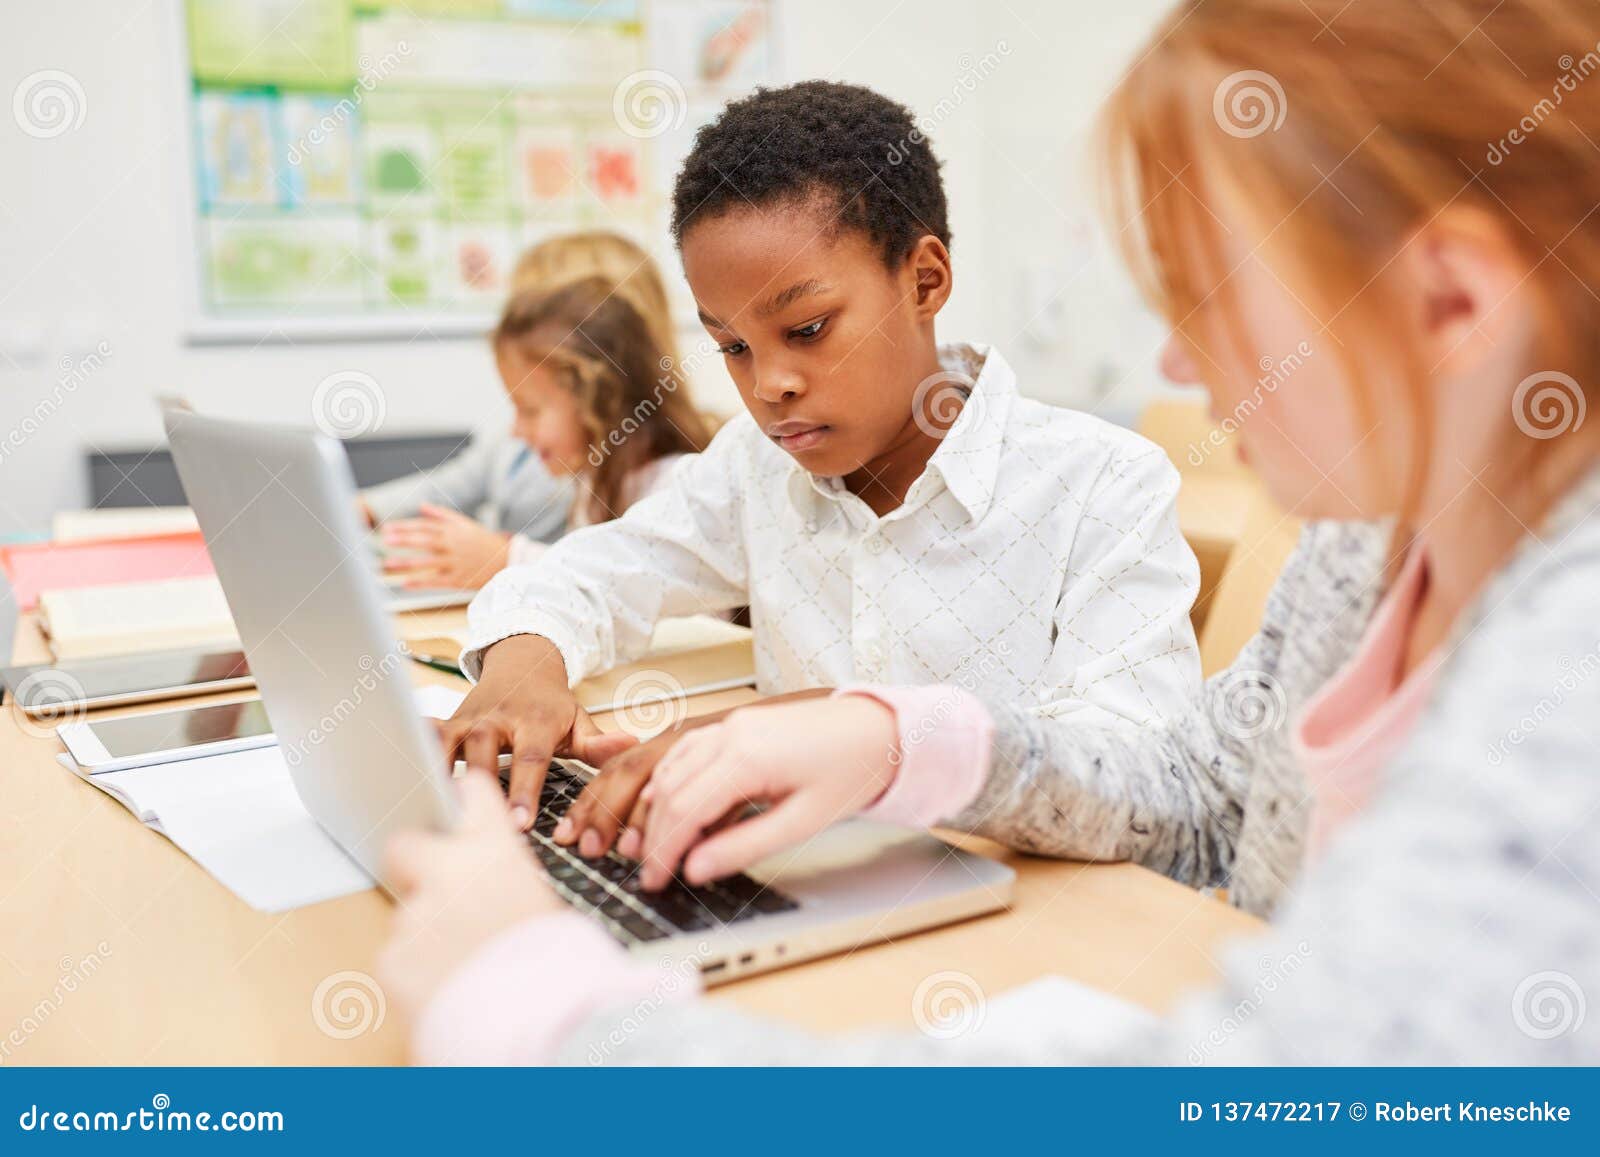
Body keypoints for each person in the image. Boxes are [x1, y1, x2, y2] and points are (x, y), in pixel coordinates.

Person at [381, 0, 1600, 1065]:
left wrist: (545, 1017)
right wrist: (891, 737)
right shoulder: (1366, 546)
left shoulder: (1567, 666)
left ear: (1451, 297)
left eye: (1209, 298)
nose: (1177, 364)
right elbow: (1190, 798)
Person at [439, 80, 1202, 842]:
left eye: (806, 329)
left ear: (924, 280)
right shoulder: (754, 469)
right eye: (733, 346)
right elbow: (586, 573)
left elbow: (1141, 783)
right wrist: (523, 667)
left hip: (1020, 899)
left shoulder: (1103, 485)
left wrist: (845, 729)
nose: (769, 384)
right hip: (807, 876)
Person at [360, 230, 680, 585]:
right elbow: (453, 483)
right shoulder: (576, 468)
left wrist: (507, 559)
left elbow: (629, 583)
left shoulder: (655, 480)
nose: (522, 319)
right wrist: (367, 508)